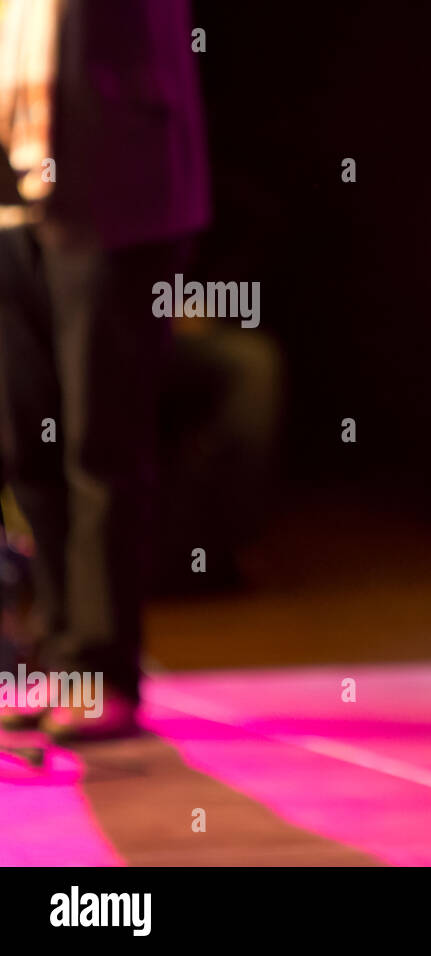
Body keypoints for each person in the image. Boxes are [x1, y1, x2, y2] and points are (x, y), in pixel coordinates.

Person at [0, 0, 210, 741]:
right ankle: (56, 658)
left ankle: (103, 671)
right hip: (11, 199)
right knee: (29, 444)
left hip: (112, 190)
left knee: (101, 444)